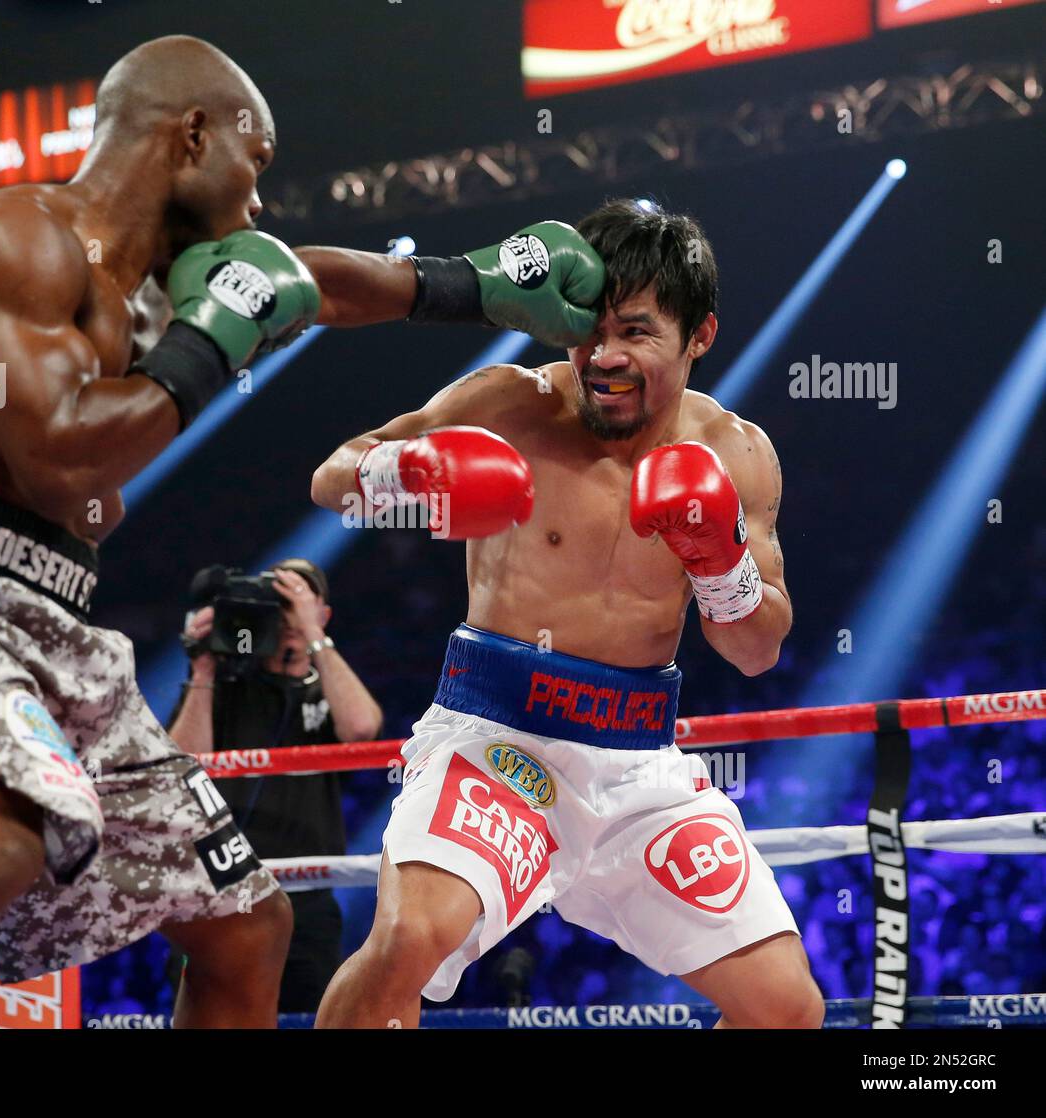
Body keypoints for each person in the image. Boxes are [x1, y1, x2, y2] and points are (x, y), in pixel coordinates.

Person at [0, 33, 607, 1028]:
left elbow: (316, 283)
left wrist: (474, 282)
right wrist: (212, 340)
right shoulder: (16, 236)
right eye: (254, 165)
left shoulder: (158, 280)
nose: (257, 199)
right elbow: (62, 456)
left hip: (62, 632)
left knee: (246, 921)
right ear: (192, 132)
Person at [309, 198, 825, 1029]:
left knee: (788, 1009)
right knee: (407, 940)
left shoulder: (737, 454)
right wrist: (405, 475)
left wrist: (719, 562)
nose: (603, 356)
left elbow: (758, 649)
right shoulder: (509, 402)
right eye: (588, 330)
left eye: (635, 332)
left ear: (701, 337)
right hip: (495, 741)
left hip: (637, 769)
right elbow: (332, 476)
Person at [167, 559, 381, 1012]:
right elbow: (182, 766)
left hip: (307, 894)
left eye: (295, 603)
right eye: (277, 605)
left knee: (307, 1019)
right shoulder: (225, 685)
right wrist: (203, 669)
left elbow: (362, 728)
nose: (285, 616)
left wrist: (311, 630)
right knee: (211, 1018)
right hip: (222, 889)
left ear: (321, 613)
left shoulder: (324, 689)